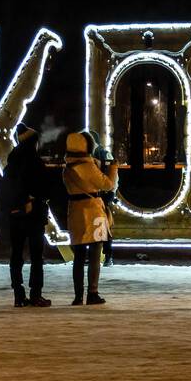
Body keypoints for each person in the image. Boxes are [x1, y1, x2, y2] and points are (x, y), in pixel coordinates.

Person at [3, 122, 61, 307]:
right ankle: (36, 294)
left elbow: (7, 189)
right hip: (34, 215)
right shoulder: (35, 162)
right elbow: (46, 188)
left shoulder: (11, 162)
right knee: (36, 256)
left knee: (16, 255)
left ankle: (18, 295)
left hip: (15, 214)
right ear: (33, 142)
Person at [63, 130, 119, 305]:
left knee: (79, 256)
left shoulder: (68, 167)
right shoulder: (88, 167)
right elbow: (108, 184)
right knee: (95, 253)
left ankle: (78, 295)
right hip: (94, 210)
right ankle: (92, 292)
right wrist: (113, 168)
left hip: (75, 211)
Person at [85, 129, 116, 266]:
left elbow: (113, 176)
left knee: (102, 225)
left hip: (102, 194)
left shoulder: (102, 154)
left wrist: (110, 193)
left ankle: (106, 255)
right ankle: (99, 255)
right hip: (96, 194)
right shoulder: (89, 155)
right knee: (98, 225)